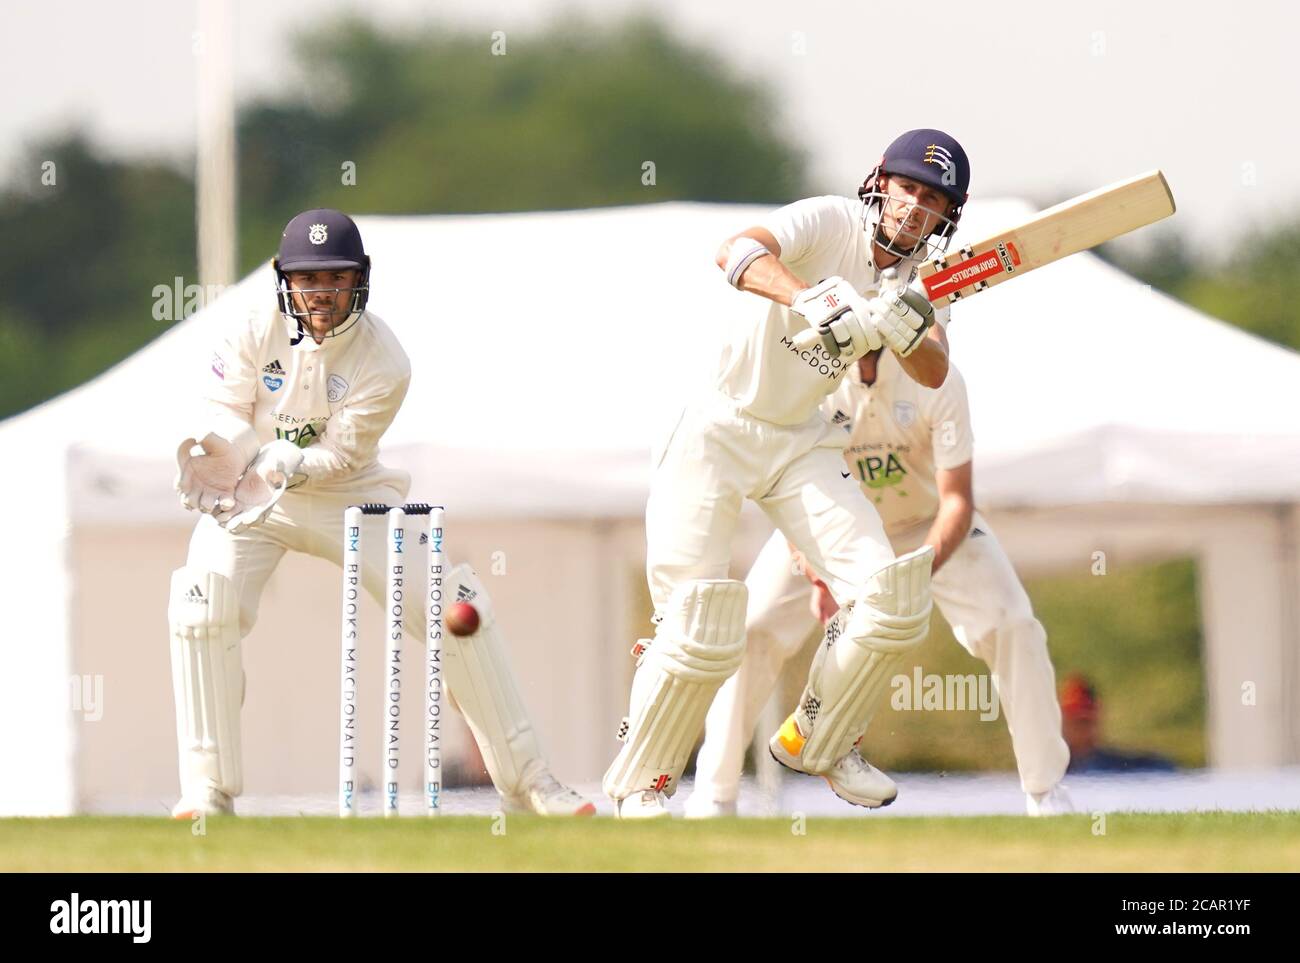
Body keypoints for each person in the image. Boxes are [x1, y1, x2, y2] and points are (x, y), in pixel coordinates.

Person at [169, 208, 593, 818]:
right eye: (309, 280)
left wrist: (288, 459)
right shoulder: (248, 327)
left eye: (336, 279)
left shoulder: (385, 360)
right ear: (281, 277)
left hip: (351, 496)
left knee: (453, 606)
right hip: (253, 492)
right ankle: (208, 791)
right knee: (201, 605)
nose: (322, 294)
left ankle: (532, 782)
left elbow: (341, 455)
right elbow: (225, 409)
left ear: (360, 279)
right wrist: (229, 453)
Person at [604, 130, 971, 818]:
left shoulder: (922, 283)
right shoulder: (830, 219)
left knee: (889, 596)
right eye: (908, 188)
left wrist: (907, 327)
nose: (915, 208)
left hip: (804, 441)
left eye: (932, 200)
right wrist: (812, 298)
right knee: (698, 620)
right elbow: (735, 251)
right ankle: (643, 783)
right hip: (719, 424)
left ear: (947, 215)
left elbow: (936, 369)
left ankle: (822, 737)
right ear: (880, 184)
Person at [685, 348, 1074, 818]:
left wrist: (906, 585)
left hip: (926, 525)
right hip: (830, 527)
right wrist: (818, 574)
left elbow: (956, 501)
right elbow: (784, 486)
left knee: (1012, 624)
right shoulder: (809, 379)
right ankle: (714, 794)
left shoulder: (937, 376)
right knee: (752, 630)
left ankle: (1045, 792)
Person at [1061, 674, 1177, 774]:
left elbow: (1165, 770)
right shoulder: (1052, 771)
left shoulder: (1117, 767)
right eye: (1075, 722)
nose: (1081, 730)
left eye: (1085, 722)